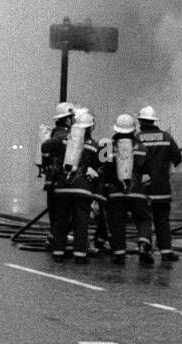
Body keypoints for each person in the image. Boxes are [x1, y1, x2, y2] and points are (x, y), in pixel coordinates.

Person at [99, 114, 154, 265]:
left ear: (116, 128)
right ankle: (143, 245)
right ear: (133, 129)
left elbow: (102, 170)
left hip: (115, 193)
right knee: (143, 219)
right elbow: (147, 172)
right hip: (137, 192)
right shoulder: (142, 148)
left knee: (117, 223)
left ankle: (119, 254)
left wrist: (102, 192)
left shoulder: (106, 146)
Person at [50, 109, 101, 263]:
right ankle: (80, 256)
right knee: (81, 223)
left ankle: (58, 253)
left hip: (62, 188)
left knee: (61, 221)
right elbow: (102, 166)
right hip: (82, 189)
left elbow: (47, 148)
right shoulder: (96, 145)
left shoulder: (64, 139)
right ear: (91, 128)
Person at [136, 105, 182, 262]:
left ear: (141, 121)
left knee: (145, 219)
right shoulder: (167, 138)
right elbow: (178, 158)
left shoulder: (136, 138)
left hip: (142, 189)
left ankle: (145, 249)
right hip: (162, 188)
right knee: (162, 220)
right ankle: (166, 252)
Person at [39, 102, 75, 252]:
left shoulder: (57, 134)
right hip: (61, 181)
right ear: (67, 120)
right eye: (72, 118)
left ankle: (54, 238)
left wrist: (47, 165)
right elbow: (46, 146)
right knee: (63, 212)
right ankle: (56, 239)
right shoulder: (64, 136)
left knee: (56, 212)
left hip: (53, 181)